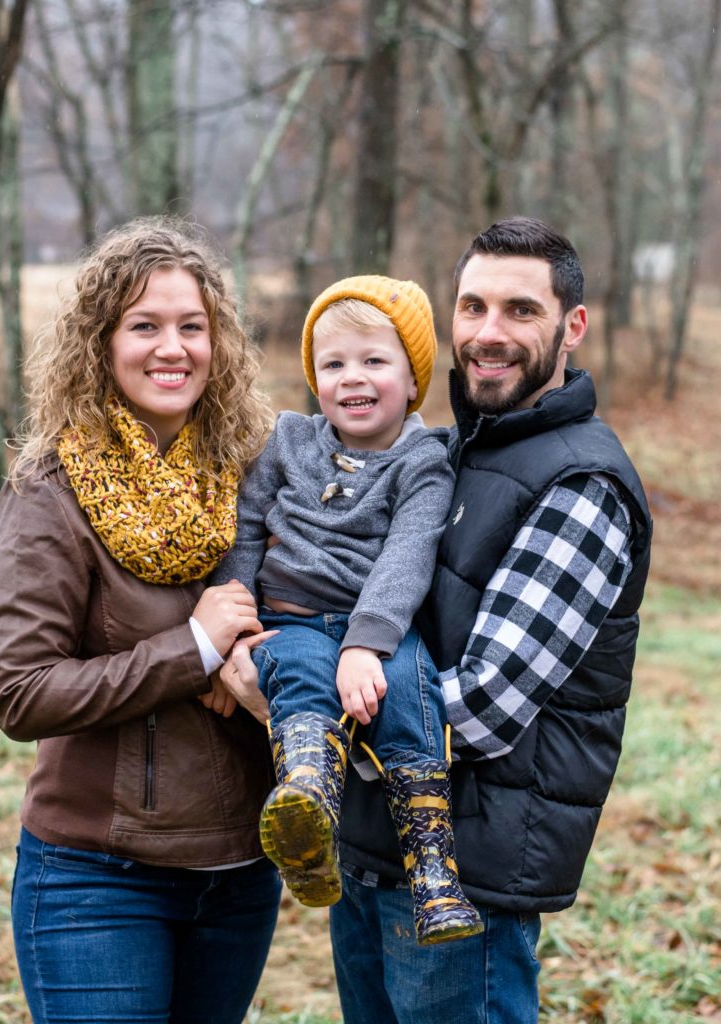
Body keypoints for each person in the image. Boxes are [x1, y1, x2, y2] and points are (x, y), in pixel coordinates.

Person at [223, 217, 653, 1023]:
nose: (489, 333)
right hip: (374, 851)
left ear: (574, 326)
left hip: (469, 880)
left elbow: (483, 711)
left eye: (521, 310)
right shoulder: (451, 451)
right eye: (473, 307)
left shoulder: (580, 486)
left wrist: (294, 715)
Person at [0, 217, 280, 1024]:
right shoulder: (50, 489)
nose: (171, 348)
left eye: (192, 326)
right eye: (144, 326)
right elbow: (20, 692)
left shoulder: (255, 469)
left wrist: (265, 666)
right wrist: (193, 648)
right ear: (101, 344)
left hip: (241, 873)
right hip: (96, 880)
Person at [210, 275, 481, 945]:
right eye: (332, 365)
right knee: (300, 681)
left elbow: (409, 552)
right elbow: (246, 525)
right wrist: (238, 618)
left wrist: (366, 642)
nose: (350, 379)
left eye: (373, 361)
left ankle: (432, 870)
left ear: (414, 378)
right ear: (314, 378)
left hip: (381, 627)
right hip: (293, 617)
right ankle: (309, 813)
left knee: (410, 697)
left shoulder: (424, 459)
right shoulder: (288, 439)